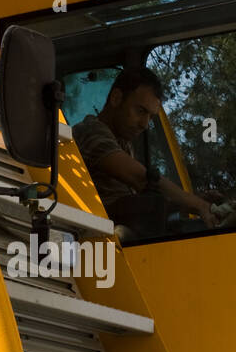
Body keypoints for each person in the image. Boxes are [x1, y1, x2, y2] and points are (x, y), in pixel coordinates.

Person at [73, 67, 217, 234]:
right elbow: (140, 179)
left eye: (150, 117)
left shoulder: (123, 143)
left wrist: (195, 201)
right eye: (140, 111)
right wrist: (198, 205)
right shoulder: (91, 131)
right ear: (116, 98)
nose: (145, 124)